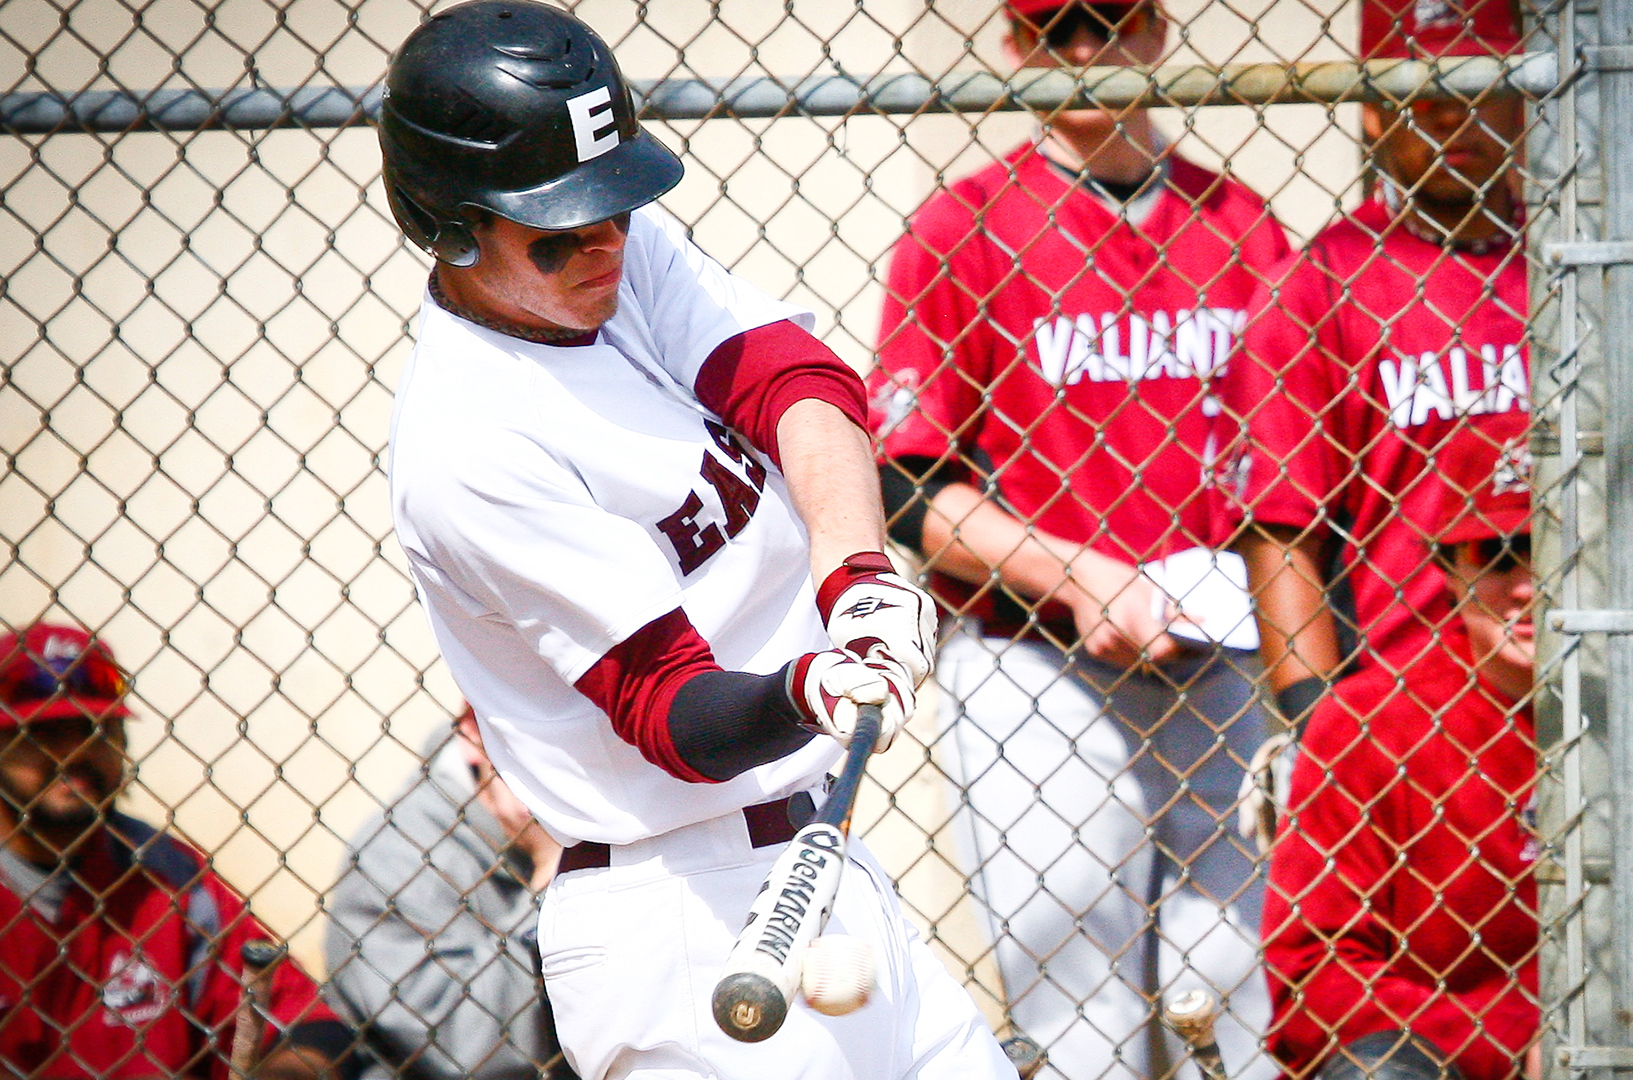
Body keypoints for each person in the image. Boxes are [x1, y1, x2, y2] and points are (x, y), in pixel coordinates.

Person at [377, 4, 1008, 1079]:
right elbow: (672, 714)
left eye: (614, 205)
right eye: (561, 227)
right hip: (670, 913)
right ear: (448, 225)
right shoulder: (468, 444)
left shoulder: (608, 258)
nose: (605, 241)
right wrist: (810, 687)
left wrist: (858, 577)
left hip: (815, 860)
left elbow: (796, 383)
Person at [866, 1, 1289, 1075]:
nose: (1091, 55)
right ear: (1016, 49)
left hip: (1222, 658)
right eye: (1060, 33)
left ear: (1158, 33)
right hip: (1032, 667)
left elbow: (1290, 459)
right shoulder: (960, 226)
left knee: (1238, 985)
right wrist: (1080, 575)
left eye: (1115, 23)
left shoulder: (1240, 221)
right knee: (1079, 1014)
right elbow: (906, 485)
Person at [1226, 0, 1633, 698]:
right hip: (1418, 690)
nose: (1448, 111)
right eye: (1420, 86)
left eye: (1479, 83)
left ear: (1529, 97)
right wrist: (1314, 720)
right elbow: (1281, 529)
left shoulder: (1598, 256)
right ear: (1374, 111)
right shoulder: (1319, 283)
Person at [1260, 439, 1633, 1080]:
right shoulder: (1367, 723)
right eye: (1492, 553)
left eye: (1555, 550)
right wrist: (1525, 1046)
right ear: (1448, 570)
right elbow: (1313, 973)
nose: (1528, 585)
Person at [0, 622, 353, 1080]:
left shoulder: (167, 873)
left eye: (94, 728)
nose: (74, 752)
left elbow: (305, 1019)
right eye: (44, 732)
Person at [326, 707, 571, 1080]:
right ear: (474, 732)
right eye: (547, 744)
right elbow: (468, 1051)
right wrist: (555, 878)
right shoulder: (392, 857)